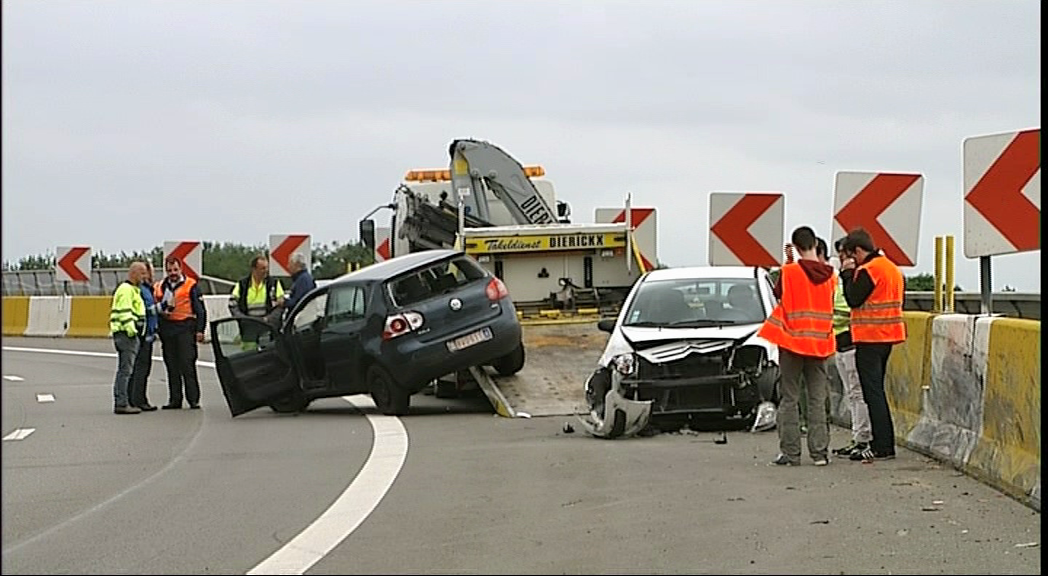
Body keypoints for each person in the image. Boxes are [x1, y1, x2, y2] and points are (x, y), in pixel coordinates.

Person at [758, 226, 836, 466]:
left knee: (790, 399)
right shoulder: (831, 276)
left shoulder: (789, 272)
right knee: (816, 399)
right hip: (821, 344)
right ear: (815, 244)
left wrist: (788, 264)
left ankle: (791, 453)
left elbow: (779, 294)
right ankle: (820, 453)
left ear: (796, 246)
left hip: (792, 342)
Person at [839, 227, 906, 462]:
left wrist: (847, 274)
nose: (850, 261)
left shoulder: (869, 270)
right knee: (877, 390)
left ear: (858, 251)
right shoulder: (891, 268)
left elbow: (853, 299)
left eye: (850, 256)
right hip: (888, 335)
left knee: (872, 393)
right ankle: (884, 442)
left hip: (869, 336)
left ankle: (882, 445)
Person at [830, 236, 873, 458]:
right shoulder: (842, 280)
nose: (841, 260)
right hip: (841, 343)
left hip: (852, 342)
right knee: (853, 394)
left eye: (843, 255)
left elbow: (851, 304)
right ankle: (857, 438)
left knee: (858, 394)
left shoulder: (856, 278)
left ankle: (862, 439)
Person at [155, 256, 208, 410]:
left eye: (175, 270)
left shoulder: (191, 285)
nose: (172, 273)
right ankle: (175, 400)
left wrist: (200, 330)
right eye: (169, 270)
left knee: (187, 364)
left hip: (185, 328)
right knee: (171, 366)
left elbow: (200, 310)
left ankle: (193, 399)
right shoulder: (160, 286)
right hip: (168, 330)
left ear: (181, 269)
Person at [110, 262, 147, 415]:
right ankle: (121, 402)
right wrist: (132, 331)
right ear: (134, 273)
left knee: (125, 369)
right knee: (125, 370)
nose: (145, 277)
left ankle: (123, 401)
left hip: (126, 334)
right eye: (142, 273)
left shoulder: (132, 289)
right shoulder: (126, 290)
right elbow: (125, 311)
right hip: (126, 335)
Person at [229, 255, 285, 350]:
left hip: (267, 325)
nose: (266, 271)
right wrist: (243, 319)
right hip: (248, 327)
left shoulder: (274, 284)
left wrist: (269, 318)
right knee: (248, 355)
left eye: (267, 268)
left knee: (267, 354)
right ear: (254, 269)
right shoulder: (242, 284)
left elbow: (281, 305)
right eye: (263, 268)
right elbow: (232, 304)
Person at [128, 261, 160, 411]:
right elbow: (147, 310)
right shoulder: (141, 290)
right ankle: (138, 399)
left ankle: (135, 398)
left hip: (147, 332)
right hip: (143, 333)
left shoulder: (147, 289)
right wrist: (164, 306)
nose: (149, 275)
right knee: (141, 368)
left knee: (140, 368)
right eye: (146, 272)